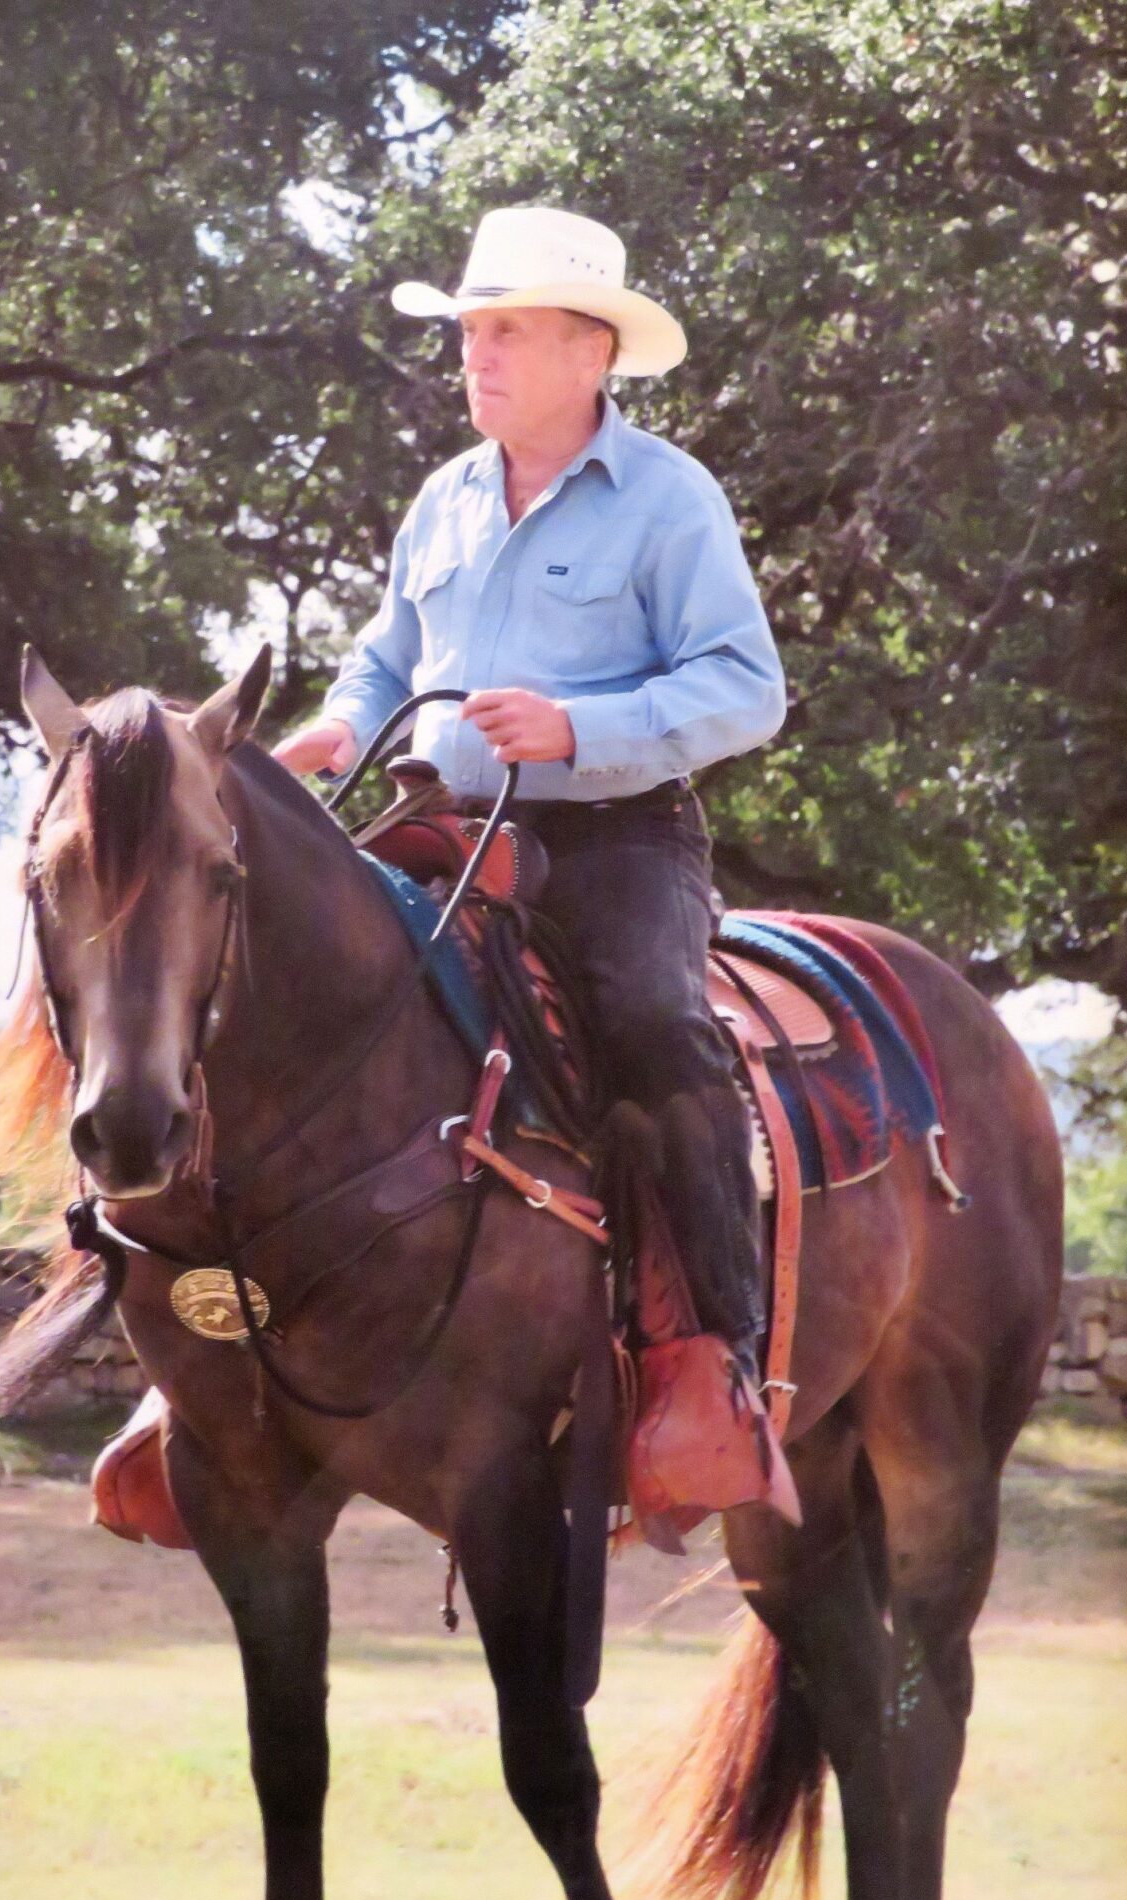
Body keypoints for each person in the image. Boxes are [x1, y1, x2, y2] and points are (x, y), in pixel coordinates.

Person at [274, 205, 786, 1382]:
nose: (475, 355)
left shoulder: (670, 498)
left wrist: (576, 729)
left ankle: (724, 1352)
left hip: (615, 839)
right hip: (437, 828)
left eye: (506, 329)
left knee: (657, 1026)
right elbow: (388, 656)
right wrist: (348, 721)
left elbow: (746, 690)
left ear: (591, 351)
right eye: (467, 331)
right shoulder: (443, 497)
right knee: (278, 980)